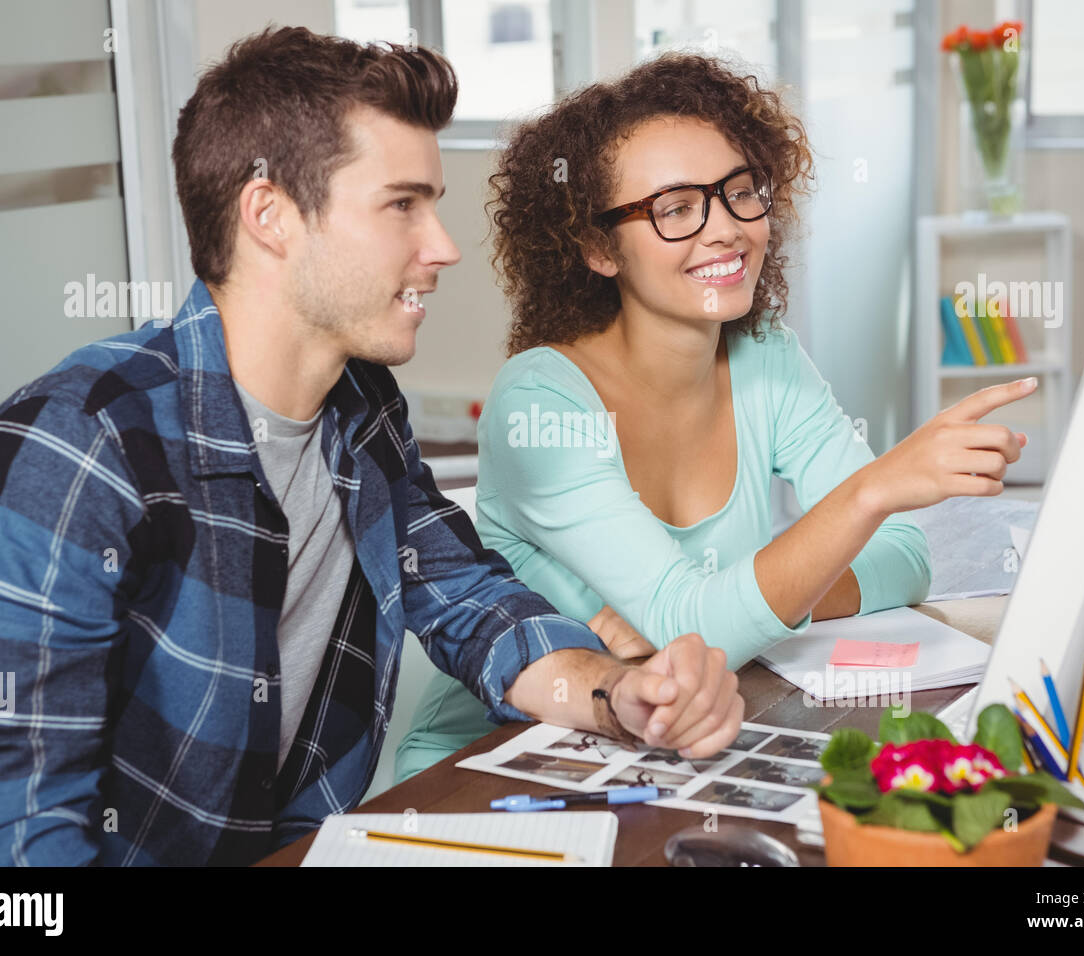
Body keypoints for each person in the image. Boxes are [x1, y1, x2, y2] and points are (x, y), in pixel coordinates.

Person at [0, 28, 742, 867]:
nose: (444, 246)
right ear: (270, 215)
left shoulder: (360, 407)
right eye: (402, 204)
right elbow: (11, 857)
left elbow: (467, 599)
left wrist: (614, 696)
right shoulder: (69, 451)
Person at [396, 52, 1035, 779]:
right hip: (497, 763)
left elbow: (905, 561)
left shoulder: (766, 358)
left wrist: (724, 609)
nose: (726, 228)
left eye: (739, 192)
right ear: (598, 246)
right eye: (675, 208)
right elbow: (701, 623)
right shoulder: (541, 401)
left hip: (670, 746)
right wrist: (869, 492)